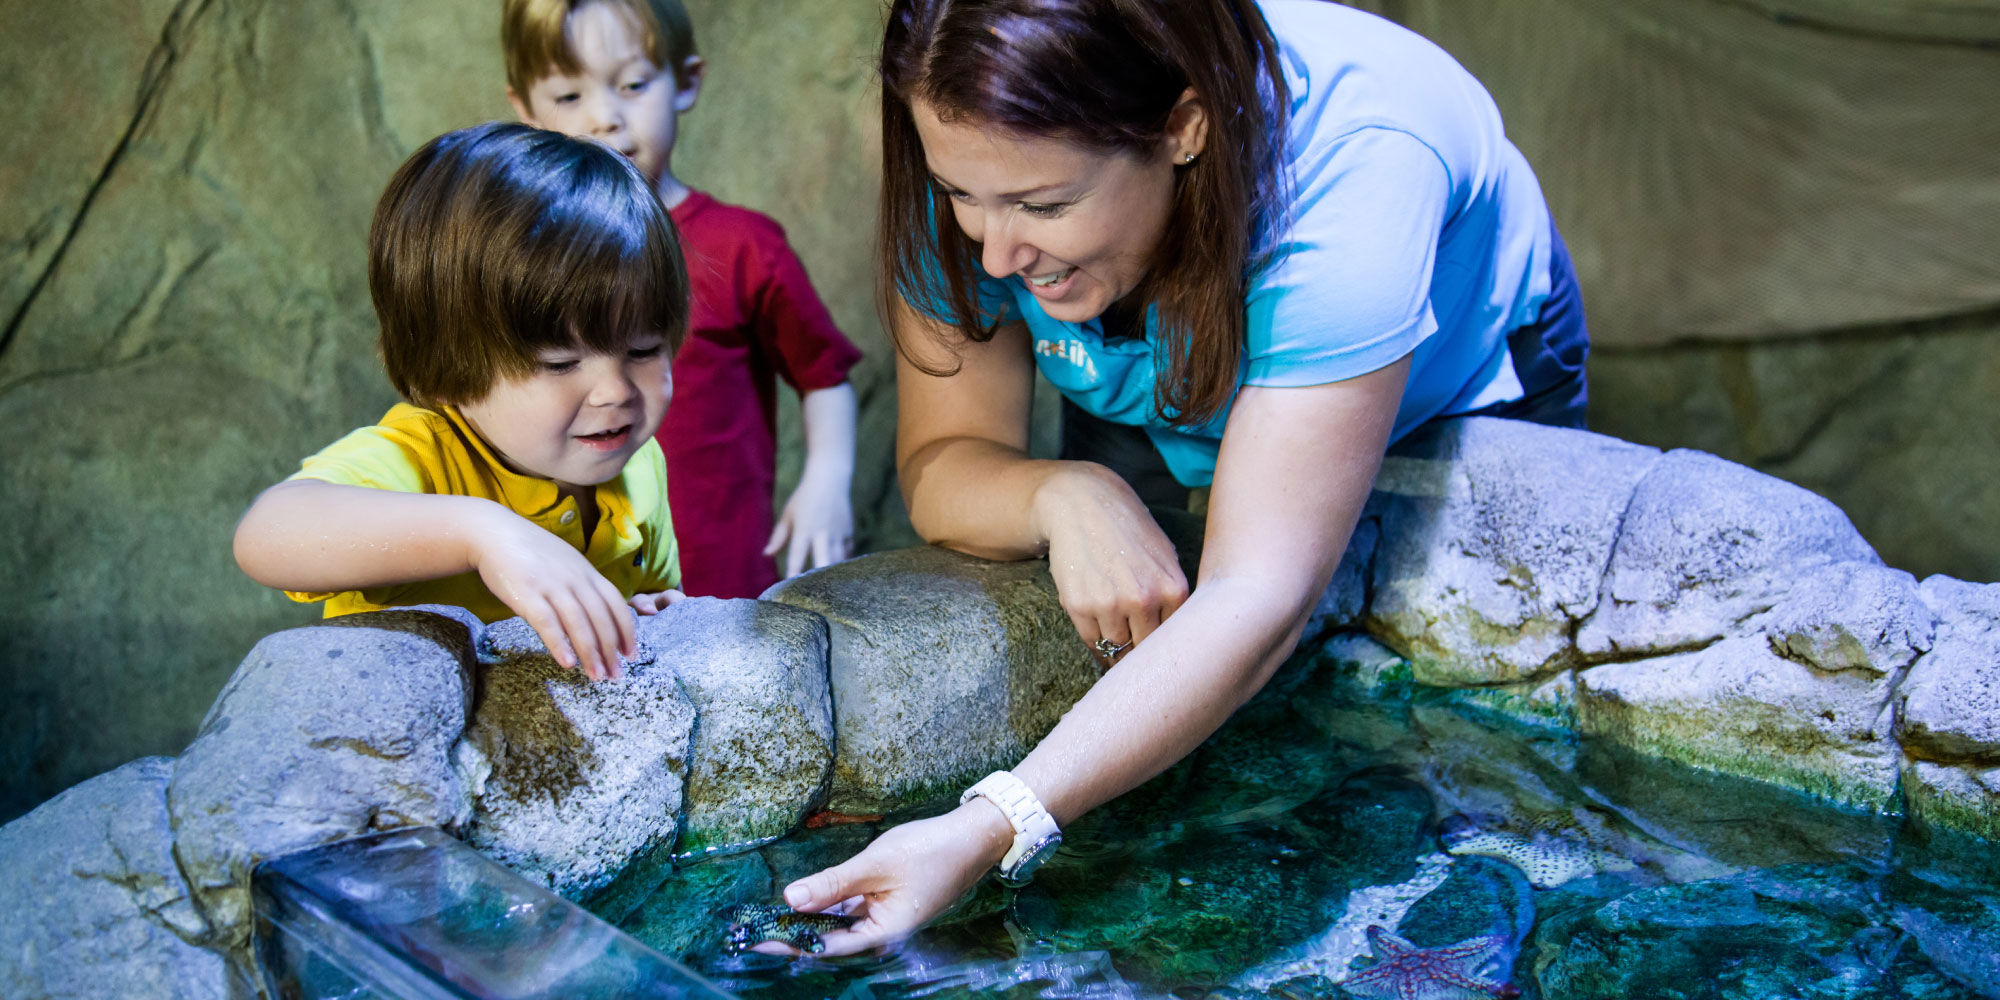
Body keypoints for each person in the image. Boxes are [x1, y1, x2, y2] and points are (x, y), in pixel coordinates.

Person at [774, 0, 1589, 954]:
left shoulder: (1358, 173)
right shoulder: (973, 141)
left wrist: (991, 824)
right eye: (962, 195)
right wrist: (1064, 491)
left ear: (1184, 128)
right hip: (1147, 362)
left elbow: (1259, 595)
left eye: (1042, 204)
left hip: (1448, 381)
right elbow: (944, 459)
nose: (994, 253)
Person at [233, 122, 688, 682]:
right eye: (560, 363)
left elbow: (658, 594)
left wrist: (663, 612)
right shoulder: (425, 457)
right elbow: (268, 534)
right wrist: (482, 533)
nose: (616, 389)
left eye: (642, 348)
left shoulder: (638, 463)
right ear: (448, 370)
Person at [501, 0, 867, 598]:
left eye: (633, 84)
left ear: (686, 82)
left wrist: (828, 478)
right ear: (524, 109)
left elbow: (824, 374)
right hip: (571, 590)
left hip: (721, 586)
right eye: (569, 97)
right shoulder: (516, 260)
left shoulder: (744, 245)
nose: (605, 119)